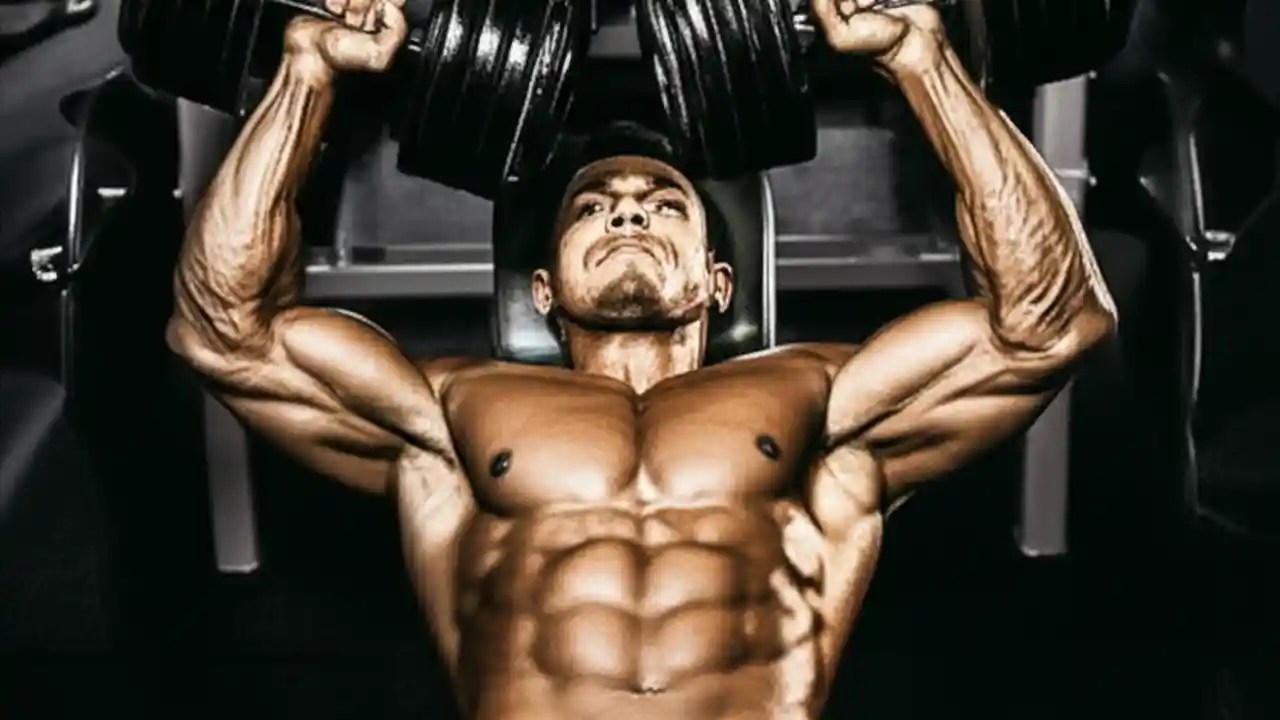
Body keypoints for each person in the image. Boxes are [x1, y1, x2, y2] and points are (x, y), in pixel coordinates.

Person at [166, 0, 1118, 716]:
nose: (627, 209)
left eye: (664, 204)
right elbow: (224, 328)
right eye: (593, 206)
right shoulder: (450, 417)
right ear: (541, 289)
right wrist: (307, 71)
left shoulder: (818, 401)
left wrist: (922, 59)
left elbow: (1050, 320)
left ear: (717, 284)